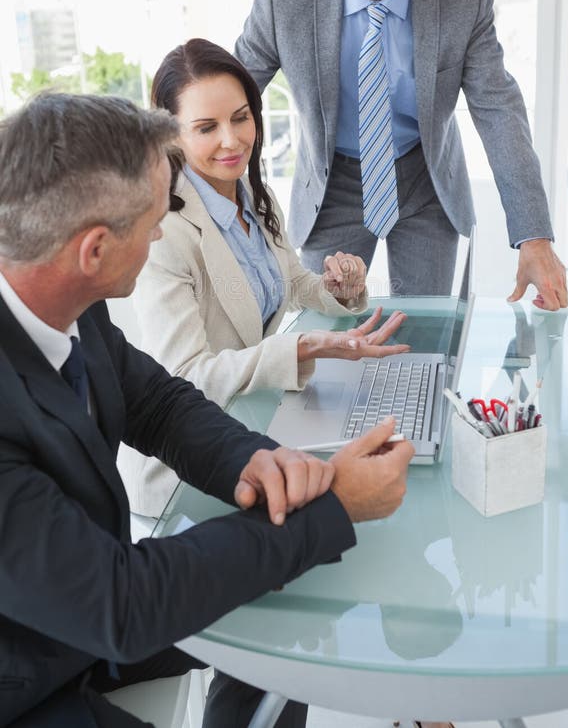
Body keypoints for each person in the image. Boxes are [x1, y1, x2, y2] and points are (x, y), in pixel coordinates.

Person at [0, 92, 415, 728]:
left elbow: (158, 404)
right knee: (280, 555)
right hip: (26, 674)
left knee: (283, 582)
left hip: (83, 618)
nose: (163, 230)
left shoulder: (74, 300)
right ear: (94, 251)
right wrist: (332, 507)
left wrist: (255, 460)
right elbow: (121, 602)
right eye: (152, 218)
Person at [234, 0, 568, 312]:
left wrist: (534, 236)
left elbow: (497, 106)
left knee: (426, 327)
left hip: (424, 177)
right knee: (326, 330)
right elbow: (232, 90)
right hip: (334, 182)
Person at [120, 38, 410, 518]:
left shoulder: (255, 193)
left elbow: (292, 283)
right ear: (172, 136)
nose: (232, 140)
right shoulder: (163, 231)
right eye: (207, 127)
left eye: (240, 117)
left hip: (247, 427)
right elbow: (185, 380)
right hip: (182, 477)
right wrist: (297, 350)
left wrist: (342, 286)